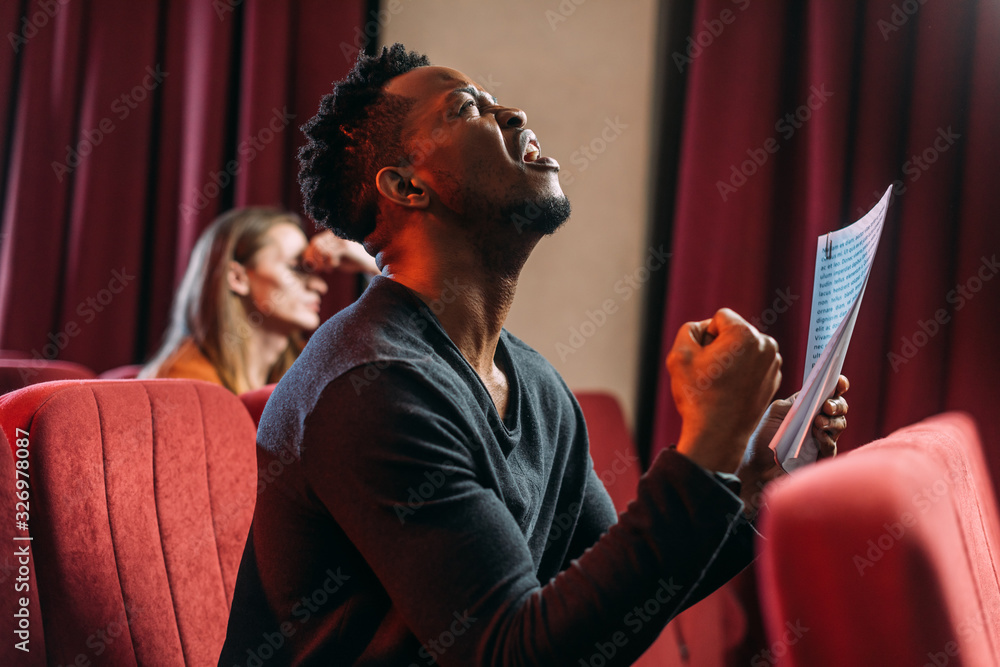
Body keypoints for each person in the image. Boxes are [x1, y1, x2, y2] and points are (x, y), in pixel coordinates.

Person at [218, 45, 849, 666]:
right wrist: (704, 448)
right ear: (406, 186)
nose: (513, 114)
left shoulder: (535, 383)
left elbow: (607, 603)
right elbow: (511, 651)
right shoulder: (373, 388)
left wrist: (750, 479)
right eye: (467, 109)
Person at [140, 206, 379, 394]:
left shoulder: (309, 366)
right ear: (237, 277)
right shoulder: (183, 384)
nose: (319, 285)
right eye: (297, 268)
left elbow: (399, 360)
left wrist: (372, 264)